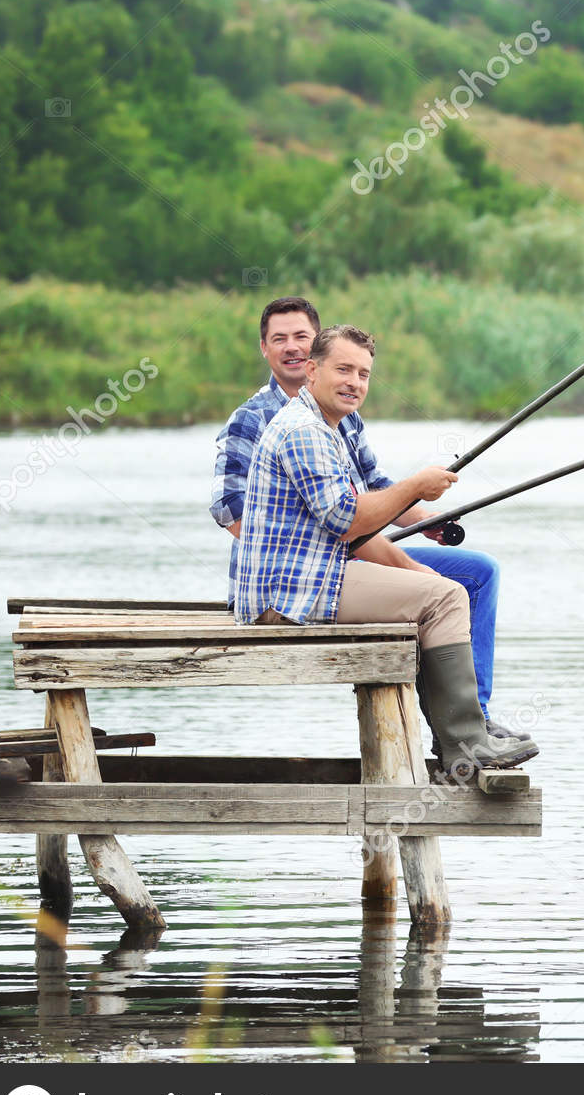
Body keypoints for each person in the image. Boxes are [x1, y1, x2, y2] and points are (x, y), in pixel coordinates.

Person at [210, 296, 535, 764]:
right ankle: (465, 744)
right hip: (293, 587)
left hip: (321, 569)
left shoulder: (330, 422)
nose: (355, 382)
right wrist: (417, 486)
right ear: (314, 371)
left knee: (464, 580)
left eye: (363, 374)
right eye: (344, 370)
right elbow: (348, 521)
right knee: (444, 596)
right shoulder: (300, 428)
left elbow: (369, 499)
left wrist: (422, 512)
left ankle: (467, 728)